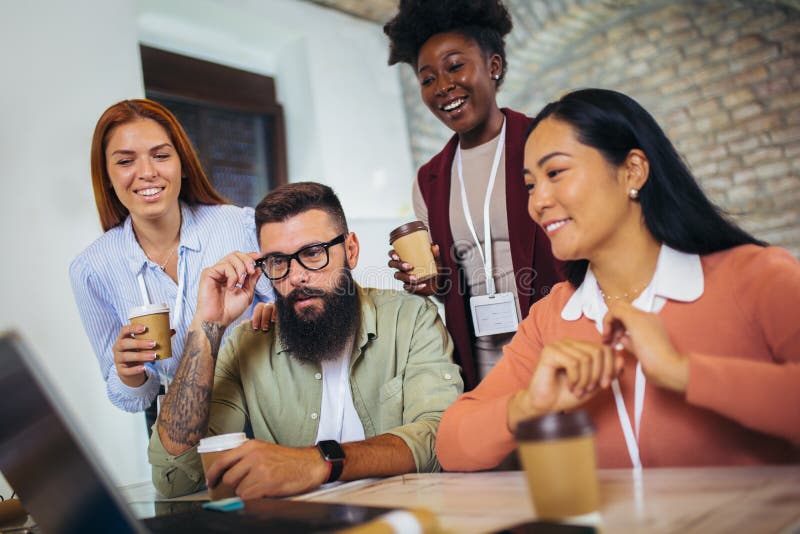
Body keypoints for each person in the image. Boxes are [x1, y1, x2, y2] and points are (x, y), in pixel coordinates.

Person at [435, 88, 800, 470]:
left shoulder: (754, 276)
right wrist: (530, 404)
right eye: (530, 184)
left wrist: (681, 371)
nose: (537, 202)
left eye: (555, 173)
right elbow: (451, 445)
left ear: (633, 171)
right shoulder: (551, 317)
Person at [149, 182, 463, 498]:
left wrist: (316, 462)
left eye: (313, 253)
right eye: (277, 261)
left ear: (351, 250)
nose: (296, 276)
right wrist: (207, 326)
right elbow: (175, 476)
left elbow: (441, 439)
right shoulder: (247, 344)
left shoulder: (409, 320)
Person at [383, 0, 562, 389]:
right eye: (427, 78)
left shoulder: (544, 140)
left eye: (455, 65)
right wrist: (429, 282)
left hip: (560, 351)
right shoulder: (430, 179)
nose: (443, 87)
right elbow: (452, 282)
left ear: (493, 66)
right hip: (482, 365)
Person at [70, 99, 274, 428]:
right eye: (125, 161)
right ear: (107, 175)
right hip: (177, 424)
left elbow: (294, 313)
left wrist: (277, 315)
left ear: (182, 164)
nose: (147, 172)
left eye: (161, 156)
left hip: (266, 407)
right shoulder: (92, 269)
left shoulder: (239, 226)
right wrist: (128, 373)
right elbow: (132, 398)